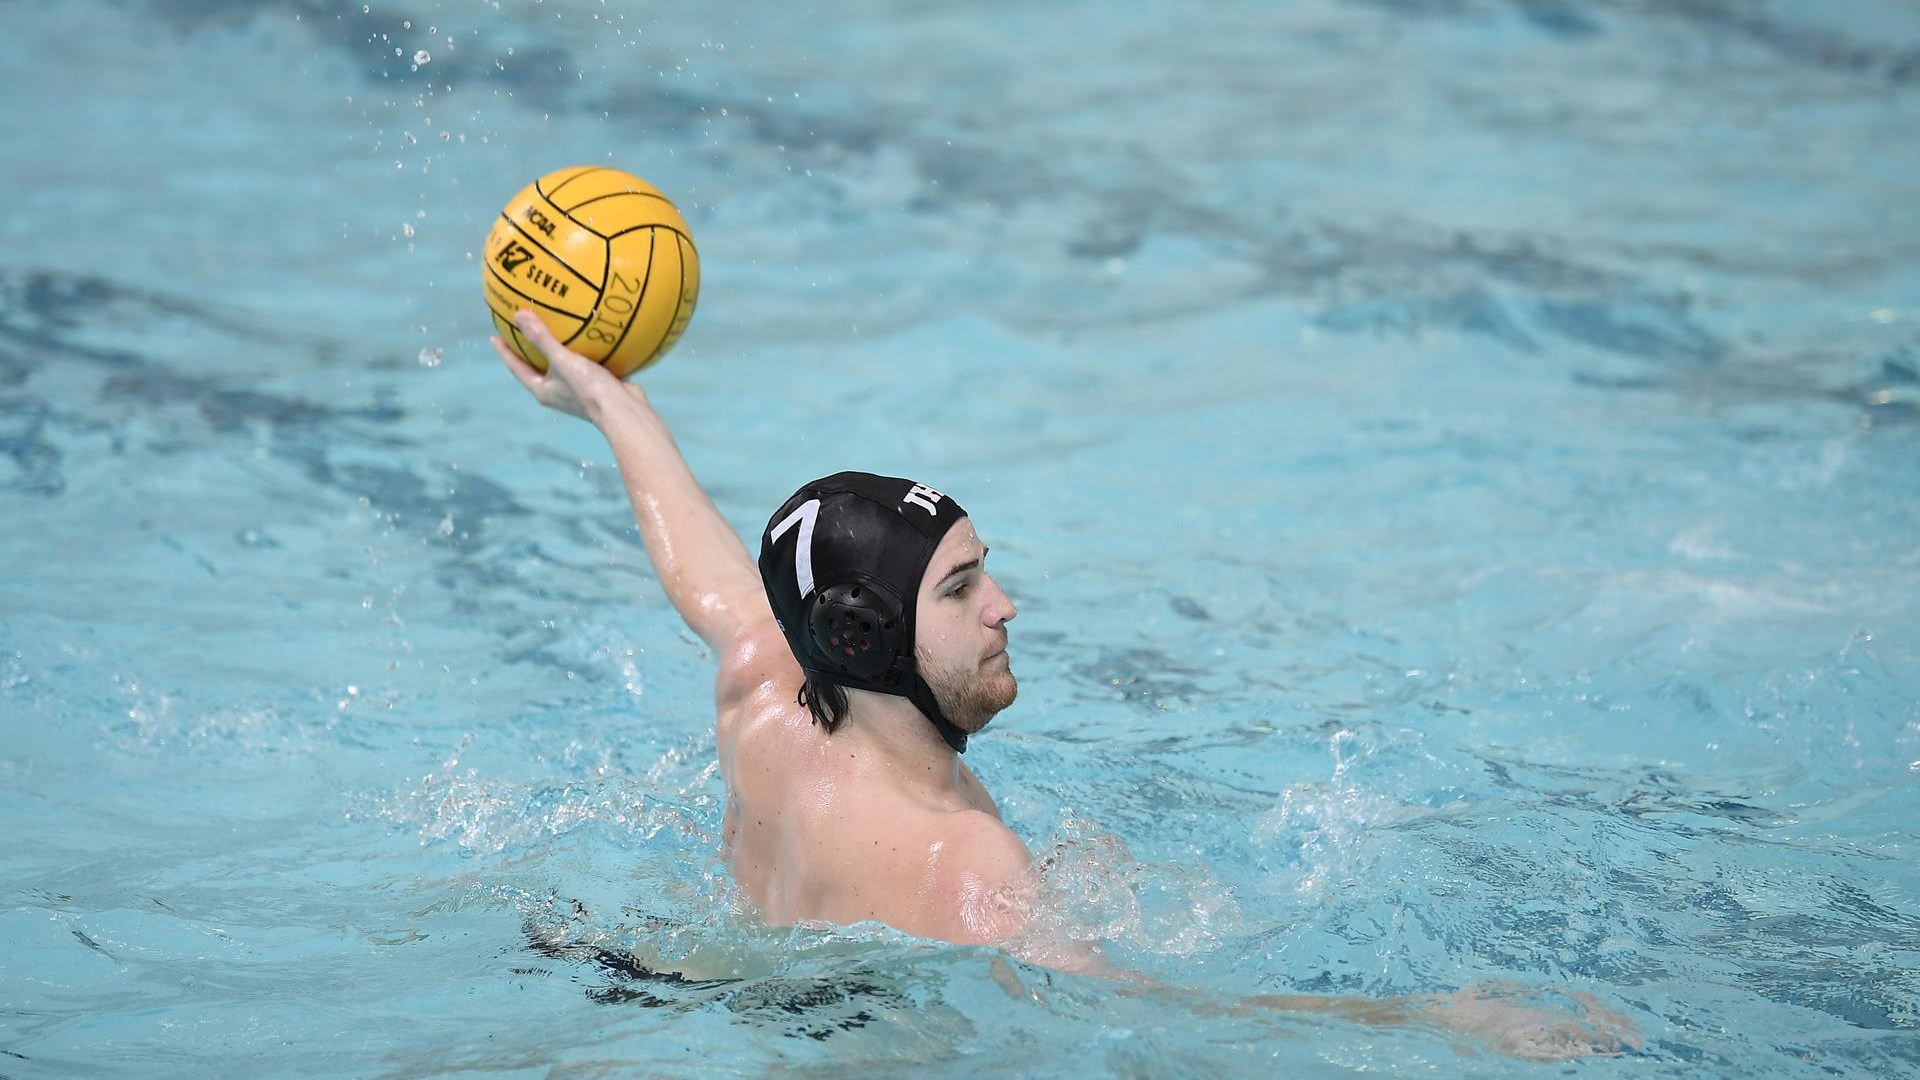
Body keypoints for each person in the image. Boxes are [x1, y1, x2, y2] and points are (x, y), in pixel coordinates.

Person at [493, 311, 1641, 1060]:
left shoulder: (768, 695)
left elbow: (702, 568)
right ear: (871, 636)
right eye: (961, 590)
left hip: (728, 993)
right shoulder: (963, 863)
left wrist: (610, 402)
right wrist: (1440, 1024)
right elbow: (1161, 1017)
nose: (1005, 607)